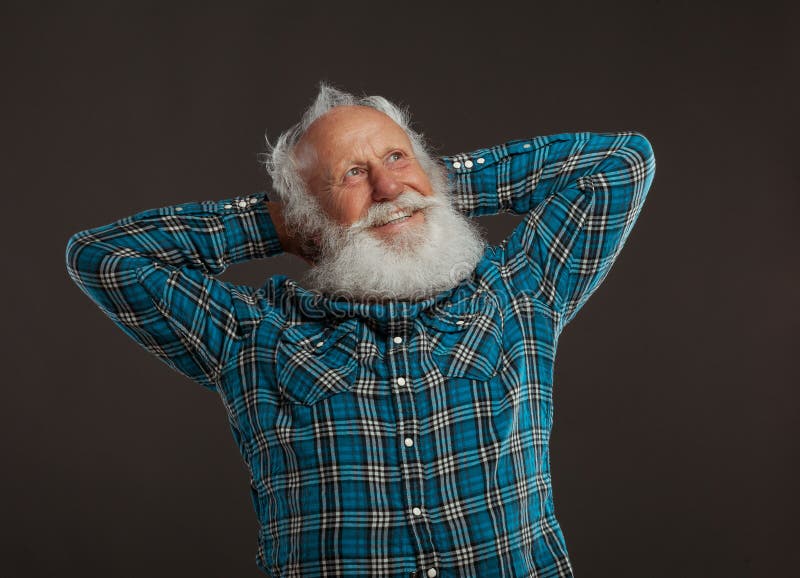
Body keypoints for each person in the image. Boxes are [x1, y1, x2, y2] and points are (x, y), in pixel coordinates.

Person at [65, 83, 656, 577]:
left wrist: (431, 185)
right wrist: (280, 220)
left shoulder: (516, 293)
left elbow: (621, 162)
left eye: (397, 158)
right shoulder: (254, 334)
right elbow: (105, 258)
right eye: (352, 174)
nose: (387, 188)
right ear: (307, 214)